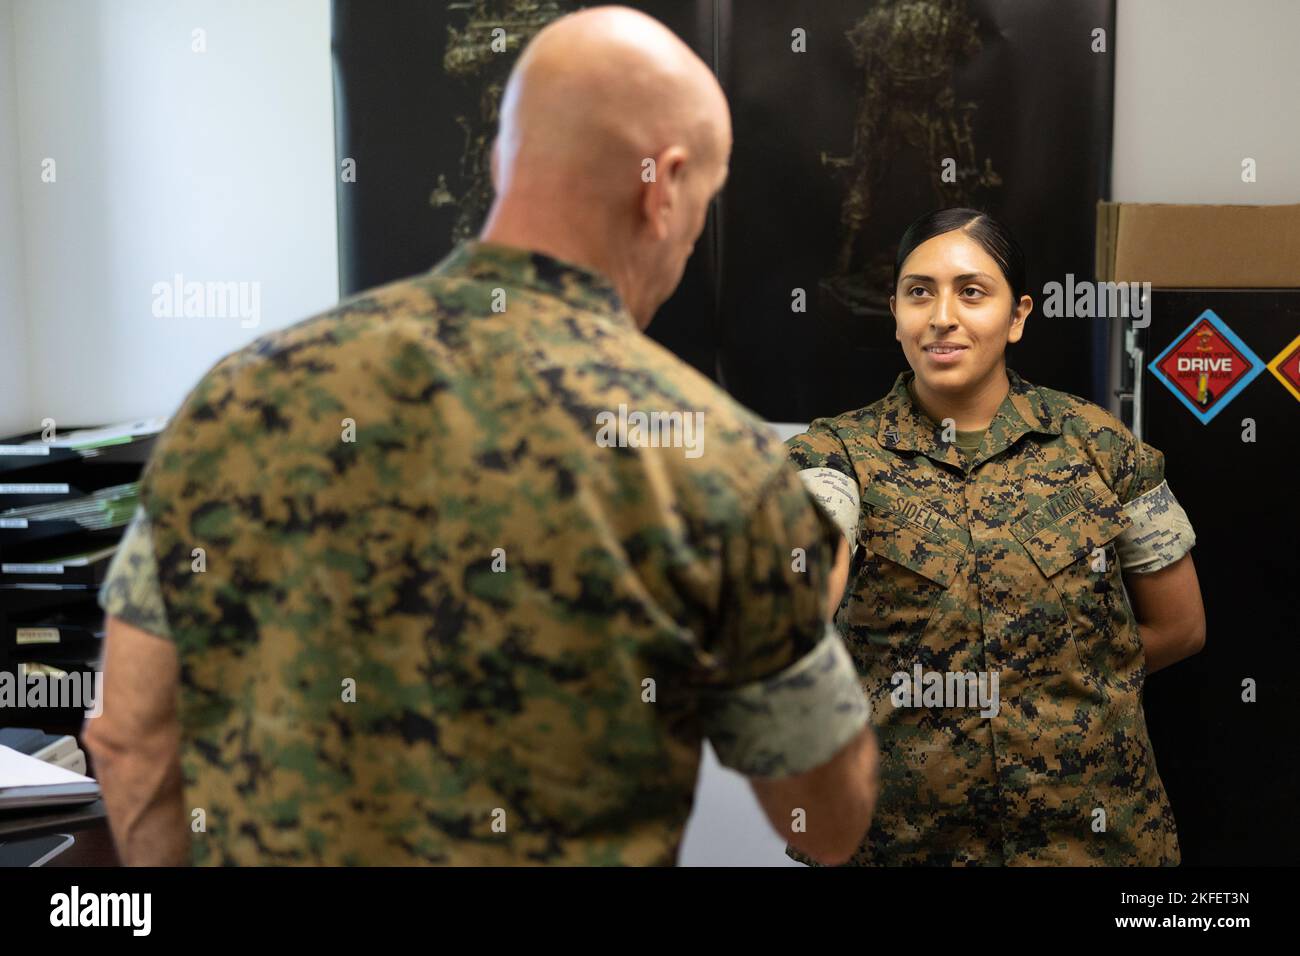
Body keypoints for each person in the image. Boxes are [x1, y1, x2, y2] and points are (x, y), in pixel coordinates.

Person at [85, 6, 878, 866]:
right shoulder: (711, 455)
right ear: (663, 186)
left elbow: (128, 736)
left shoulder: (236, 396)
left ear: (501, 160)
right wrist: (801, 598)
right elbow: (827, 821)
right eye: (703, 205)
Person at [788, 207, 1205, 866]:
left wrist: (1056, 686)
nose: (942, 315)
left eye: (972, 291)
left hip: (1091, 841)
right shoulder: (836, 454)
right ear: (895, 311)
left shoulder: (1100, 445)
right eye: (919, 291)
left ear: (1017, 316)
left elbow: (1181, 626)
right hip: (900, 842)